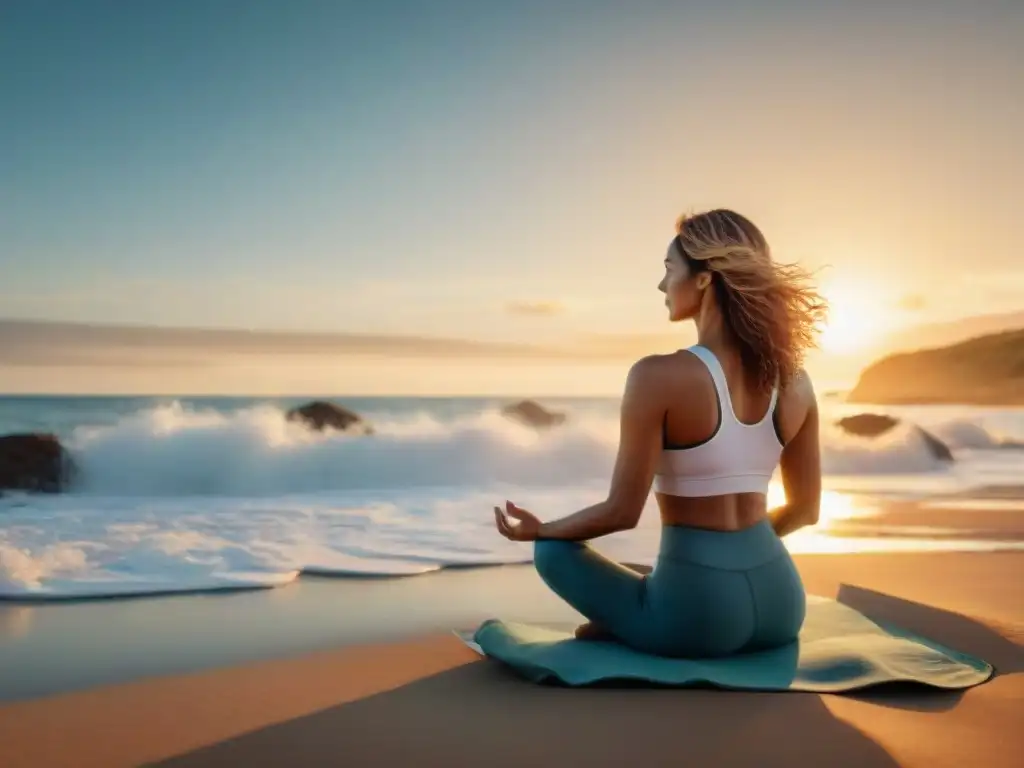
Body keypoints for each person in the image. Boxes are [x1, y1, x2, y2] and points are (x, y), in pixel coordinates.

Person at [493, 208, 828, 659]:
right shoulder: (796, 381)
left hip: (699, 619)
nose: (661, 285)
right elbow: (806, 510)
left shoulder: (656, 376)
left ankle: (636, 620)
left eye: (670, 269)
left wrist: (542, 529)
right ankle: (644, 612)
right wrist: (738, 557)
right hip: (782, 606)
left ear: (704, 278)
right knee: (653, 580)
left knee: (552, 552)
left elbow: (621, 512)